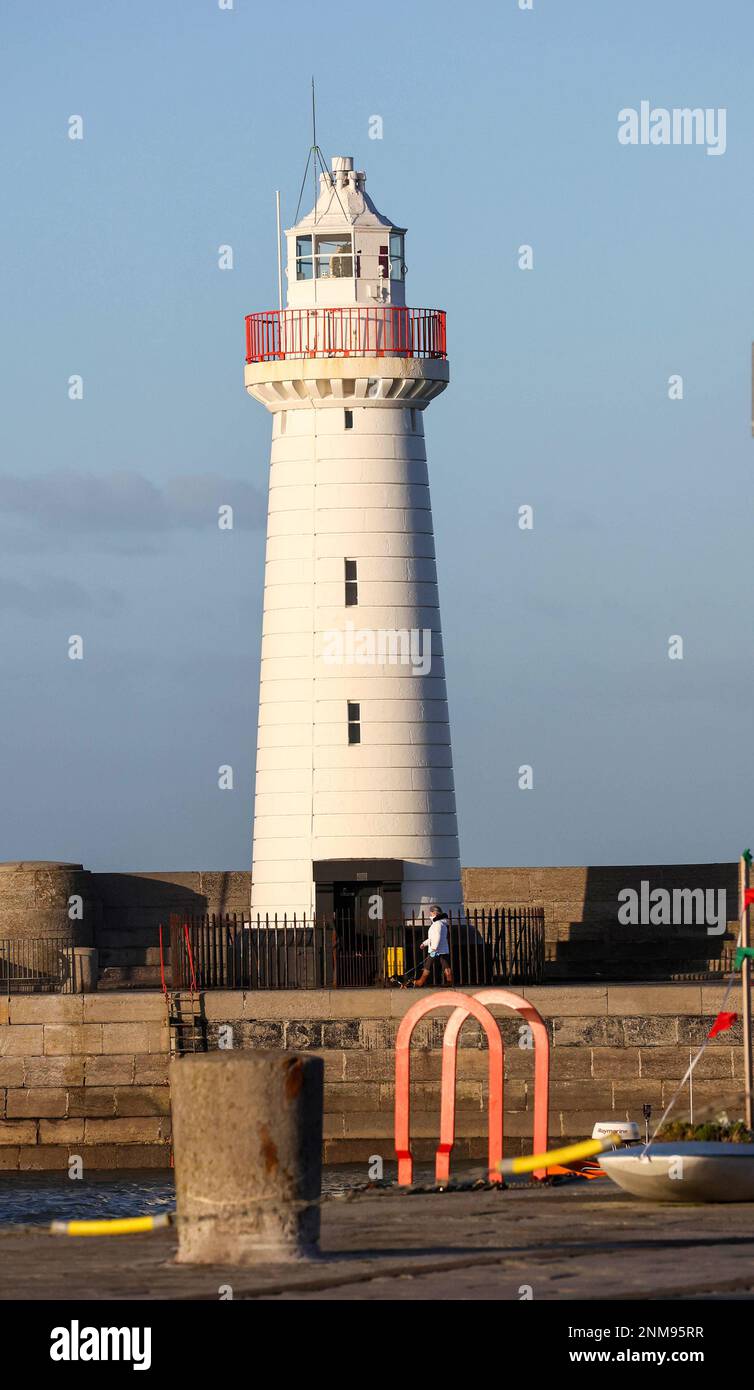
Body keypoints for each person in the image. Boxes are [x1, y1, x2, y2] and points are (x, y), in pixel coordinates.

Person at [411, 905, 453, 987]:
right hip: (443, 949)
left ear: (434, 913)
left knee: (428, 965)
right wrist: (424, 943)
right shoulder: (441, 924)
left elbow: (436, 937)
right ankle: (449, 981)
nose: (430, 914)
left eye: (431, 913)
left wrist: (434, 948)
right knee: (445, 965)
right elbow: (432, 938)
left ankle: (420, 982)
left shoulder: (437, 924)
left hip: (436, 950)